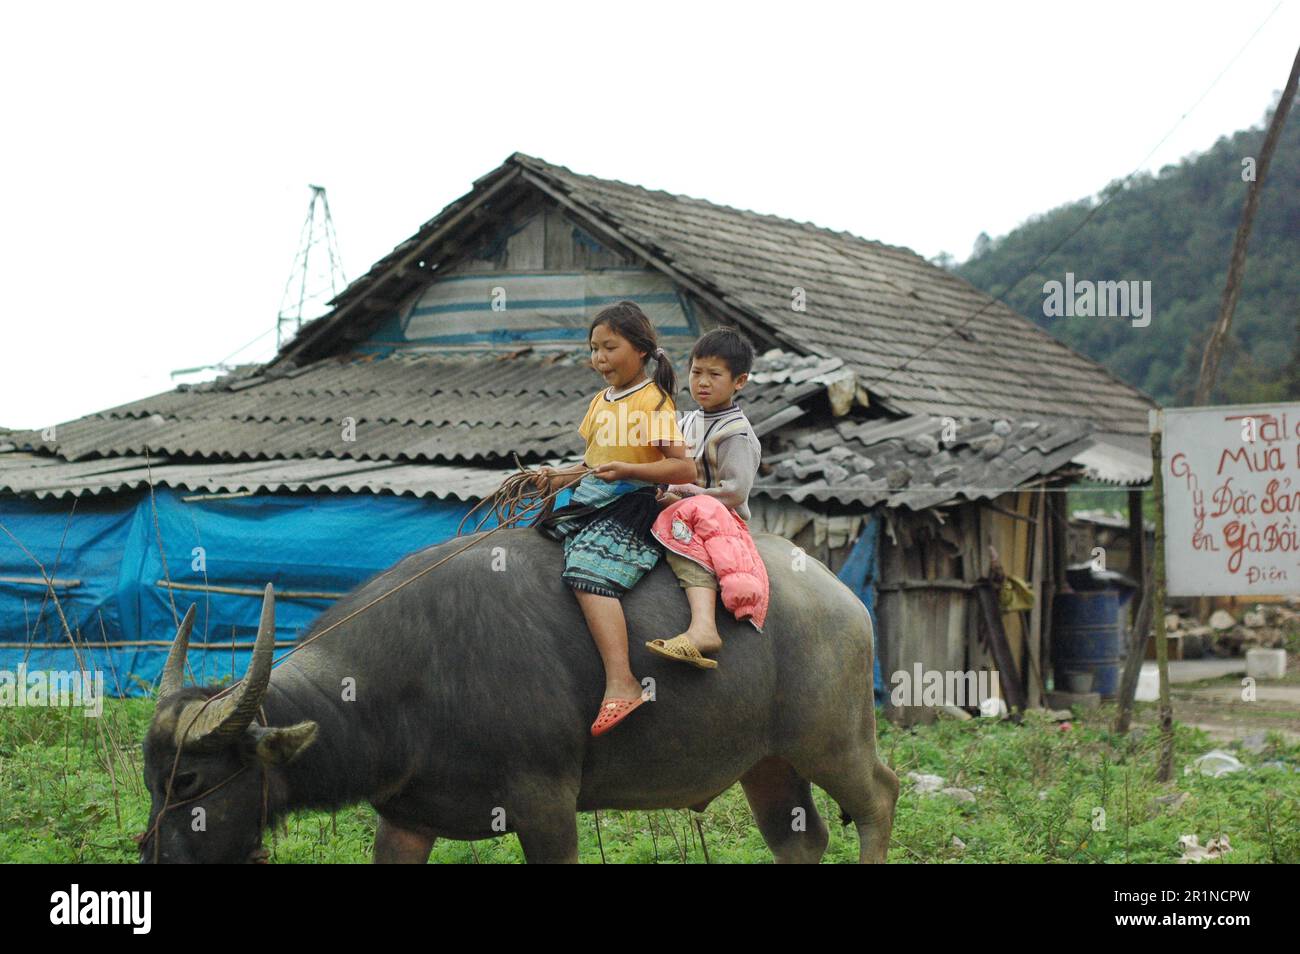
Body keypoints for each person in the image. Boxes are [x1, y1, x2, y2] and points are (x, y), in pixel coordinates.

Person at [534, 301, 696, 736]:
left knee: (588, 570)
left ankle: (622, 680)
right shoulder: (599, 403)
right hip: (591, 498)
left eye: (610, 347)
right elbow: (593, 464)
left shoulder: (653, 401)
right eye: (593, 349)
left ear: (641, 349)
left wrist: (631, 471)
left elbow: (684, 469)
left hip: (631, 506)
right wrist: (553, 477)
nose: (599, 358)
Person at [645, 327, 761, 668]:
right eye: (697, 372)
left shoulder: (735, 433)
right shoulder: (685, 421)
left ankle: (704, 628)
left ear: (739, 381)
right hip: (681, 509)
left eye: (714, 374)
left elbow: (735, 491)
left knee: (683, 544)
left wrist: (685, 493)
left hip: (719, 518)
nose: (702, 383)